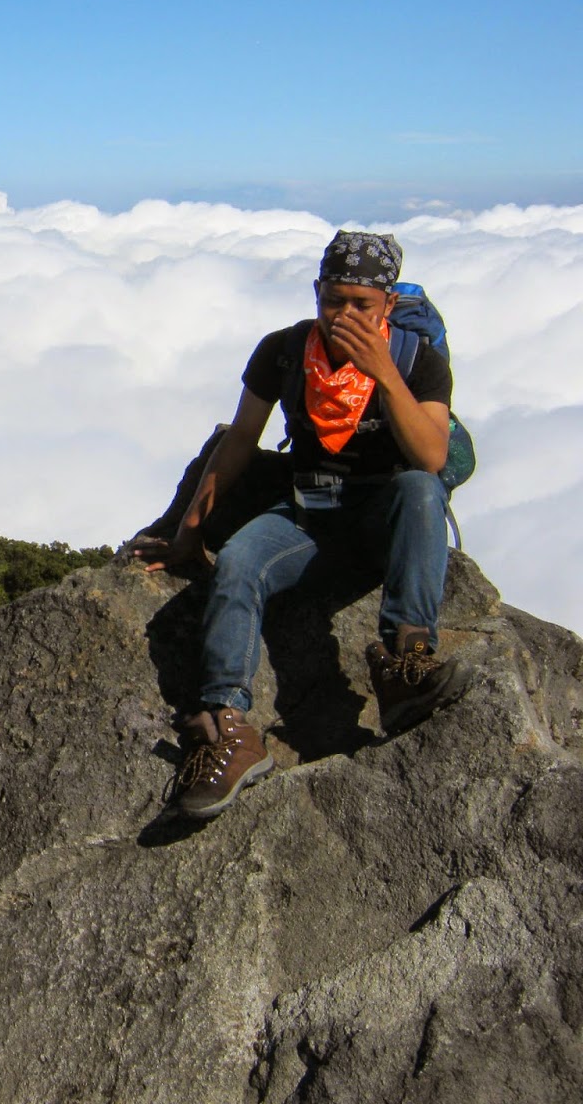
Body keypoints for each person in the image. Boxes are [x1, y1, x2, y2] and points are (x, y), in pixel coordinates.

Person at [131, 230, 471, 819]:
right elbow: (240, 440)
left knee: (419, 487)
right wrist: (190, 528)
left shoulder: (419, 361)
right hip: (309, 517)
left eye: (362, 304)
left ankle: (405, 662)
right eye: (333, 300)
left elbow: (432, 457)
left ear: (388, 305)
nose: (345, 315)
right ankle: (227, 730)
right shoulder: (283, 352)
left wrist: (384, 374)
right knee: (238, 563)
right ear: (316, 293)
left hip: (383, 524)